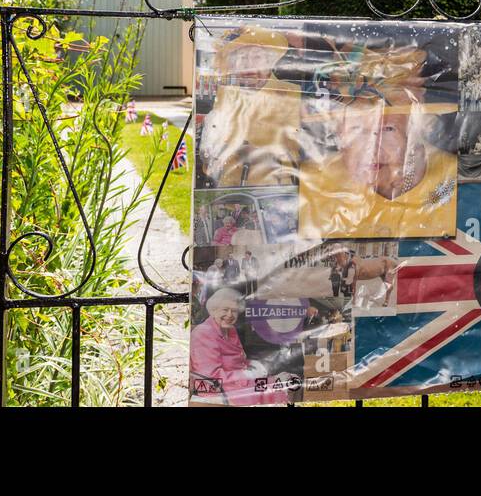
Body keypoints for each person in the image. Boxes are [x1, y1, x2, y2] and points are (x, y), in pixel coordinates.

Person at [297, 42, 459, 239]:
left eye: (387, 129)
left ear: (414, 128)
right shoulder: (308, 183)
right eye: (357, 129)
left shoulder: (457, 178)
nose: (371, 148)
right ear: (339, 132)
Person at [198, 27, 302, 186]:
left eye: (257, 57)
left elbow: (301, 146)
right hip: (229, 189)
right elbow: (214, 142)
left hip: (274, 189)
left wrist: (261, 152)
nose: (249, 66)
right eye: (242, 58)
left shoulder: (291, 92)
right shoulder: (226, 93)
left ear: (270, 61)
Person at [190, 287, 287, 406]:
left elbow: (239, 361)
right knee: (277, 390)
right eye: (225, 310)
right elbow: (210, 377)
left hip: (238, 384)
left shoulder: (231, 330)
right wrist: (248, 374)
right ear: (214, 310)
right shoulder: (203, 333)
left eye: (234, 311)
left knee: (285, 380)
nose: (230, 315)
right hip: (220, 391)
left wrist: (254, 366)